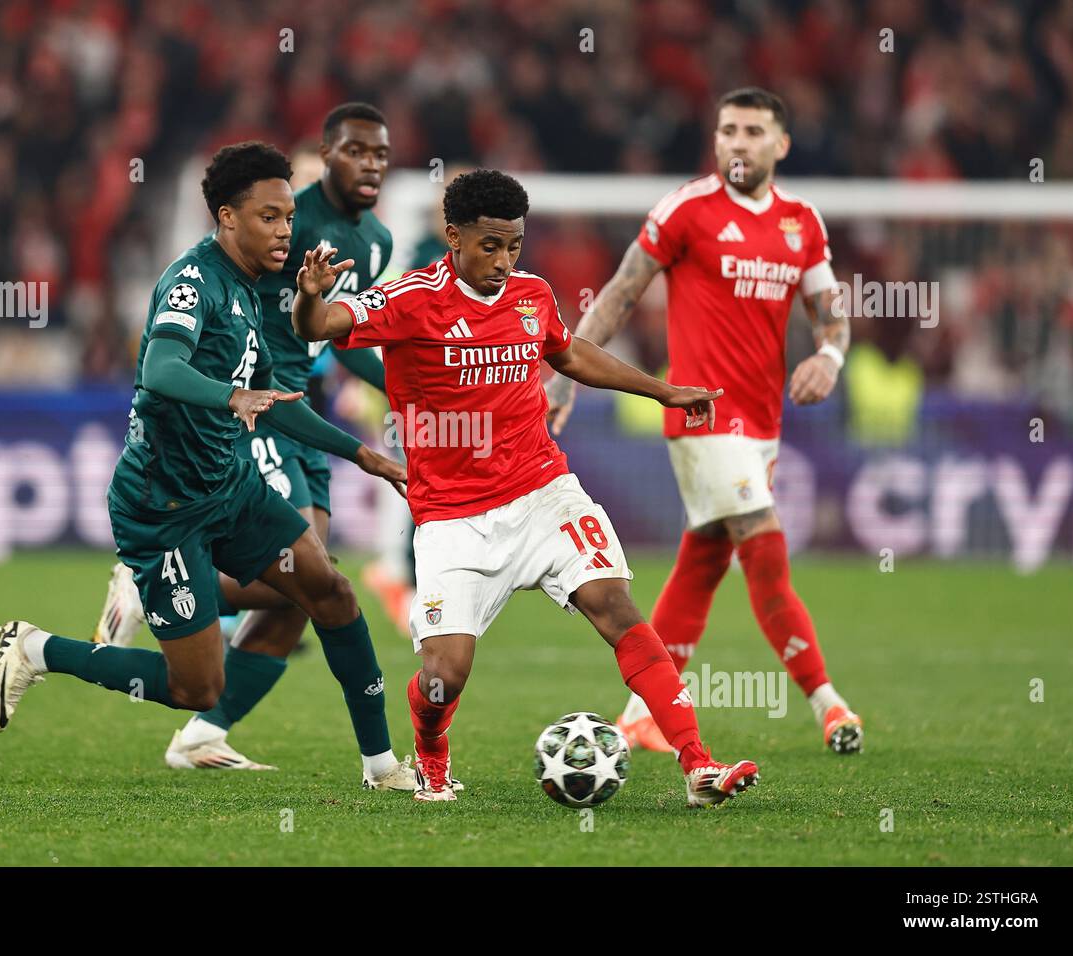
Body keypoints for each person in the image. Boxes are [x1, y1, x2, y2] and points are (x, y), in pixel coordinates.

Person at [292, 168, 761, 807]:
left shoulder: (532, 294)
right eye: (490, 245)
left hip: (543, 490)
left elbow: (567, 354)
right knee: (443, 677)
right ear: (453, 237)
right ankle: (431, 754)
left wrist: (662, 390)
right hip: (453, 517)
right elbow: (321, 325)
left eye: (514, 245)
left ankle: (699, 765)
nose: (504, 260)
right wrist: (309, 298)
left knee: (617, 607)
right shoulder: (409, 298)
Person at [0, 141, 416, 792]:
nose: (284, 230)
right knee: (195, 685)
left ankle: (382, 769)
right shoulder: (194, 280)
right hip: (165, 507)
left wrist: (361, 454)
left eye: (288, 218)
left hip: (230, 489)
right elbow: (160, 369)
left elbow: (274, 401)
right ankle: (39, 649)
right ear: (226, 217)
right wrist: (228, 395)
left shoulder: (247, 294)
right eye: (268, 216)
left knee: (327, 591)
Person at [92, 104, 408, 780]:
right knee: (313, 580)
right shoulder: (229, 260)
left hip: (289, 407)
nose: (372, 164)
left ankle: (212, 732)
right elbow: (168, 361)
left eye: (382, 152)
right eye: (356, 150)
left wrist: (386, 423)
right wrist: (236, 394)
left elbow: (336, 336)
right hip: (244, 429)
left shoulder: (370, 243)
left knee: (312, 594)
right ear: (327, 154)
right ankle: (156, 599)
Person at [546, 87, 863, 755]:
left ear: (781, 144)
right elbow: (621, 293)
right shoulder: (687, 210)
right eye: (727, 130)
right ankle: (828, 703)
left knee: (704, 562)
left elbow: (831, 312)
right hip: (701, 414)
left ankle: (639, 715)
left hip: (761, 424)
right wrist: (561, 373)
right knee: (764, 546)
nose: (737, 142)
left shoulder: (801, 222)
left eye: (752, 131)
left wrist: (831, 356)